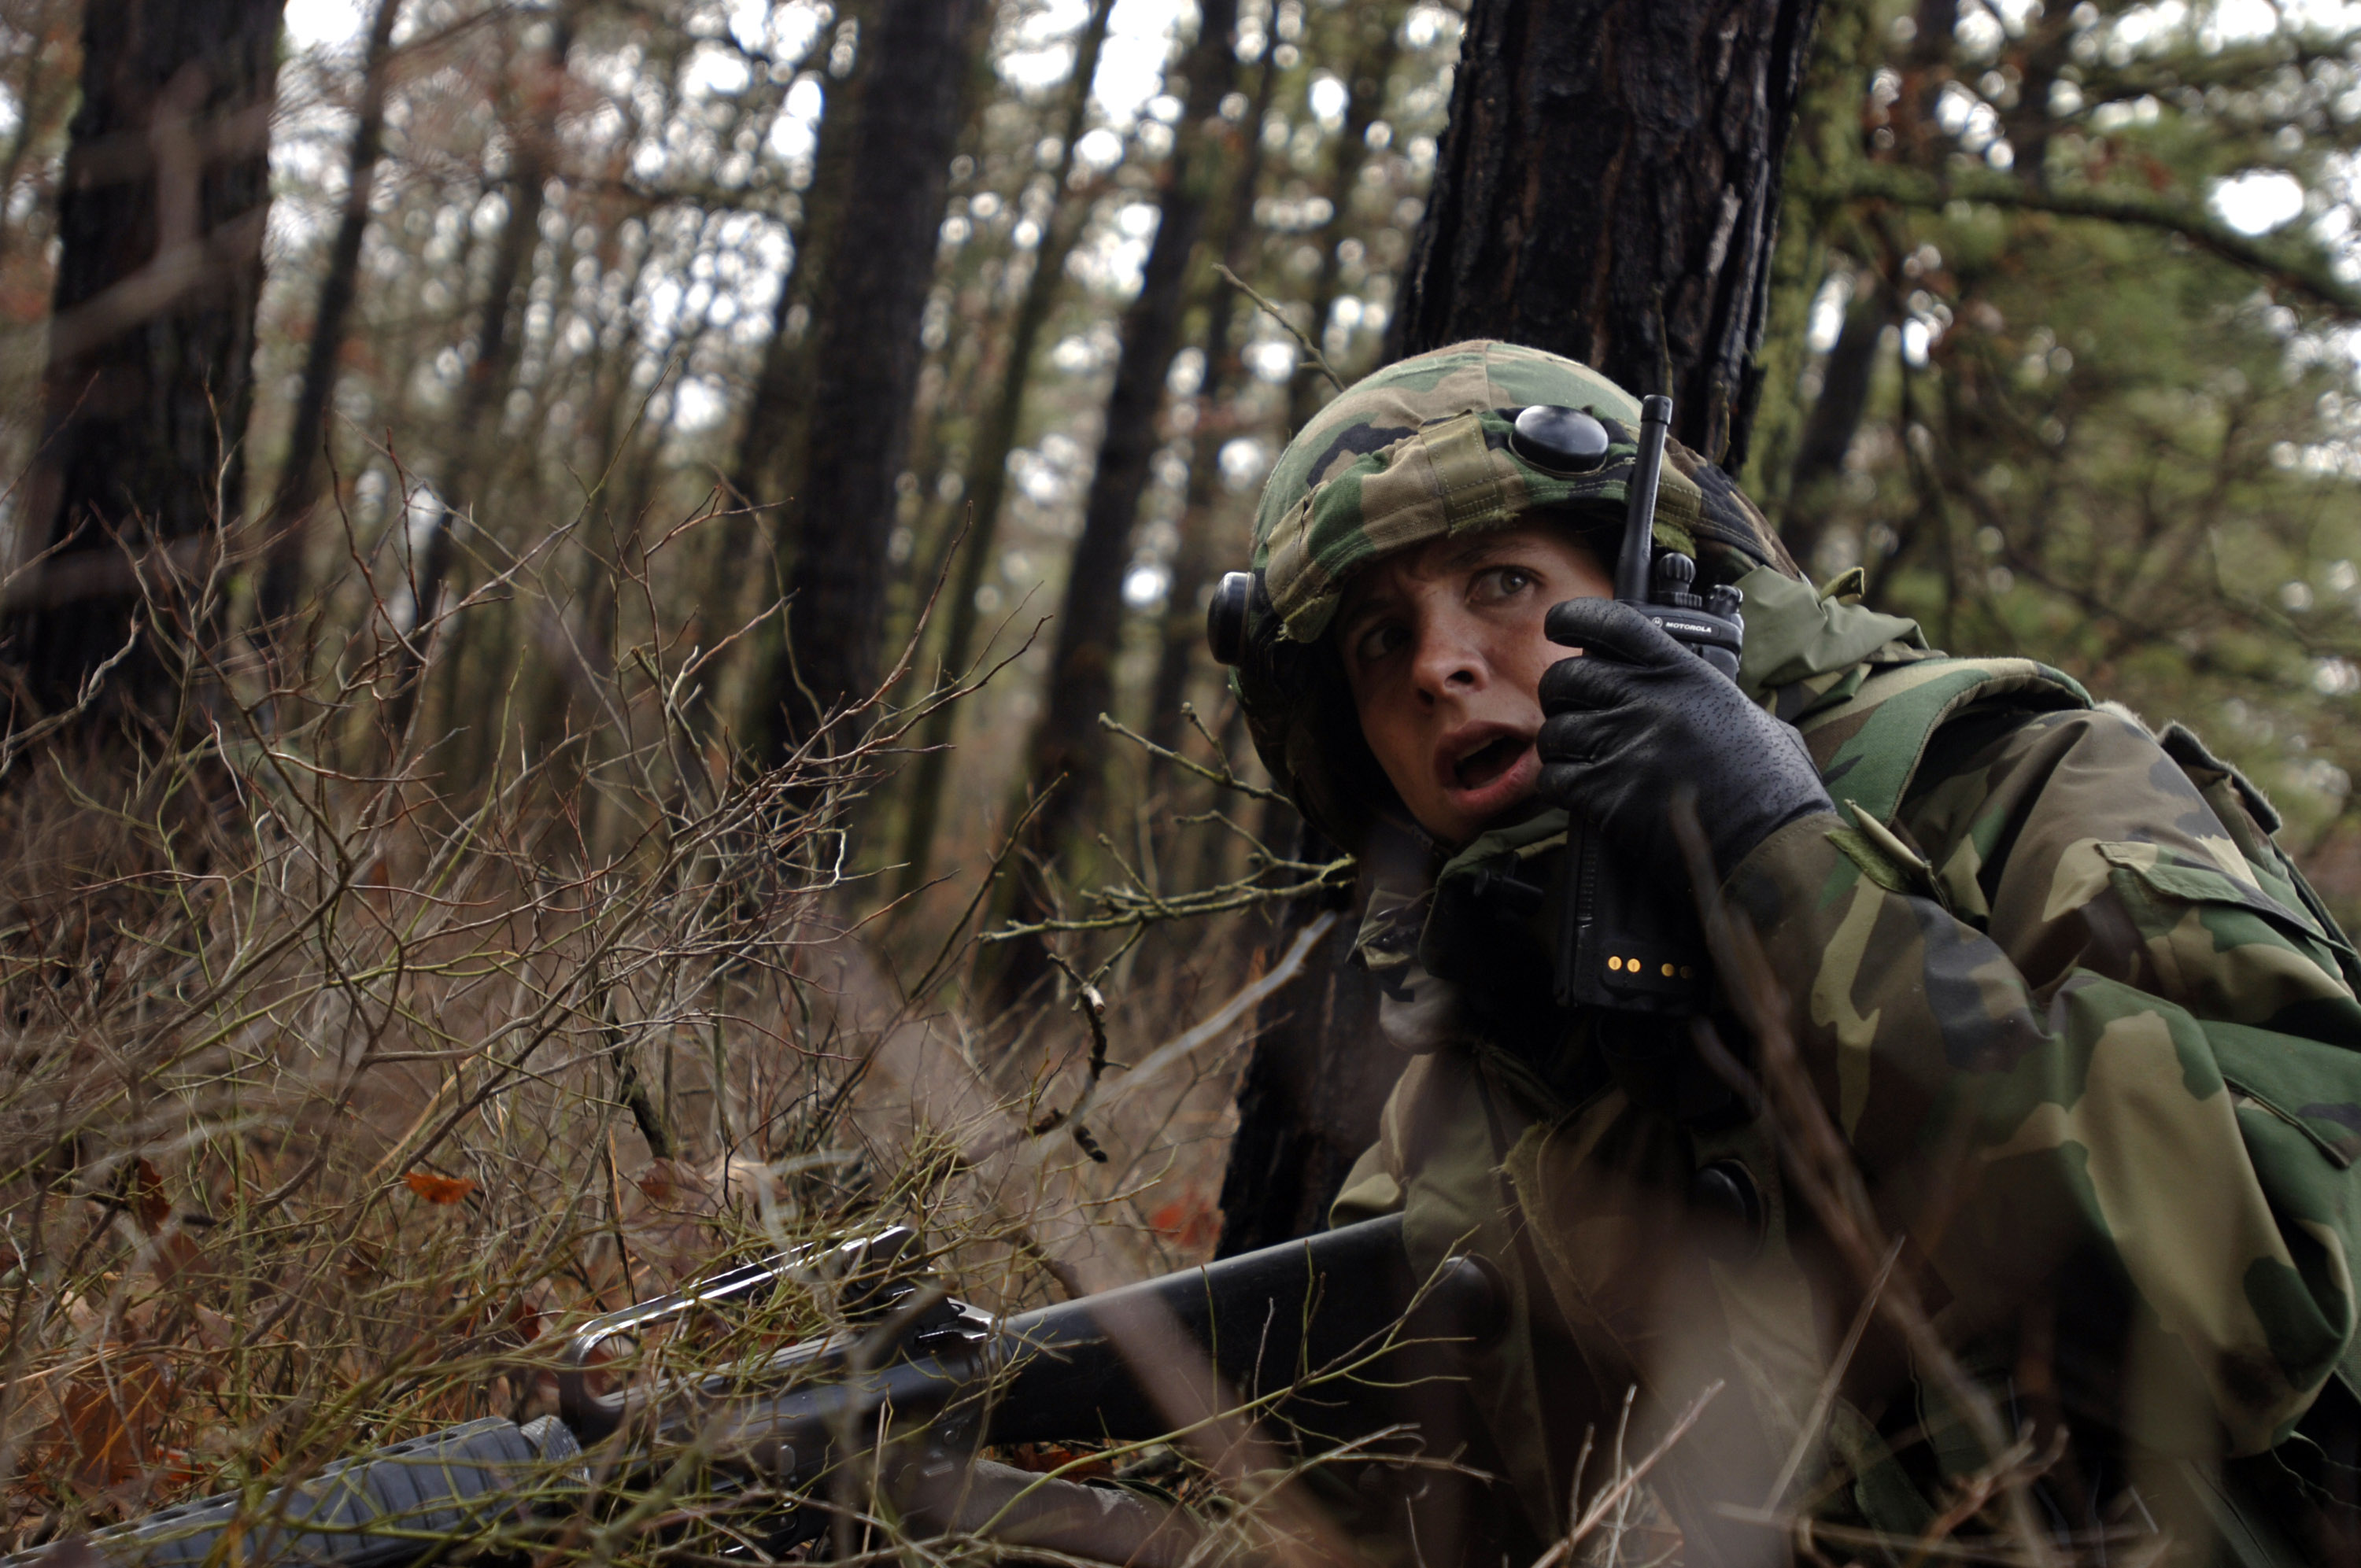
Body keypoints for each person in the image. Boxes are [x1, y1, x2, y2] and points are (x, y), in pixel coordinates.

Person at [1214, 341, 2361, 1566]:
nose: (1442, 665)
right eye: (1382, 642)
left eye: (1501, 580)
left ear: (1658, 587)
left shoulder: (2018, 785)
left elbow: (2264, 1291)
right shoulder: (1444, 1127)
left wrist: (1778, 866)